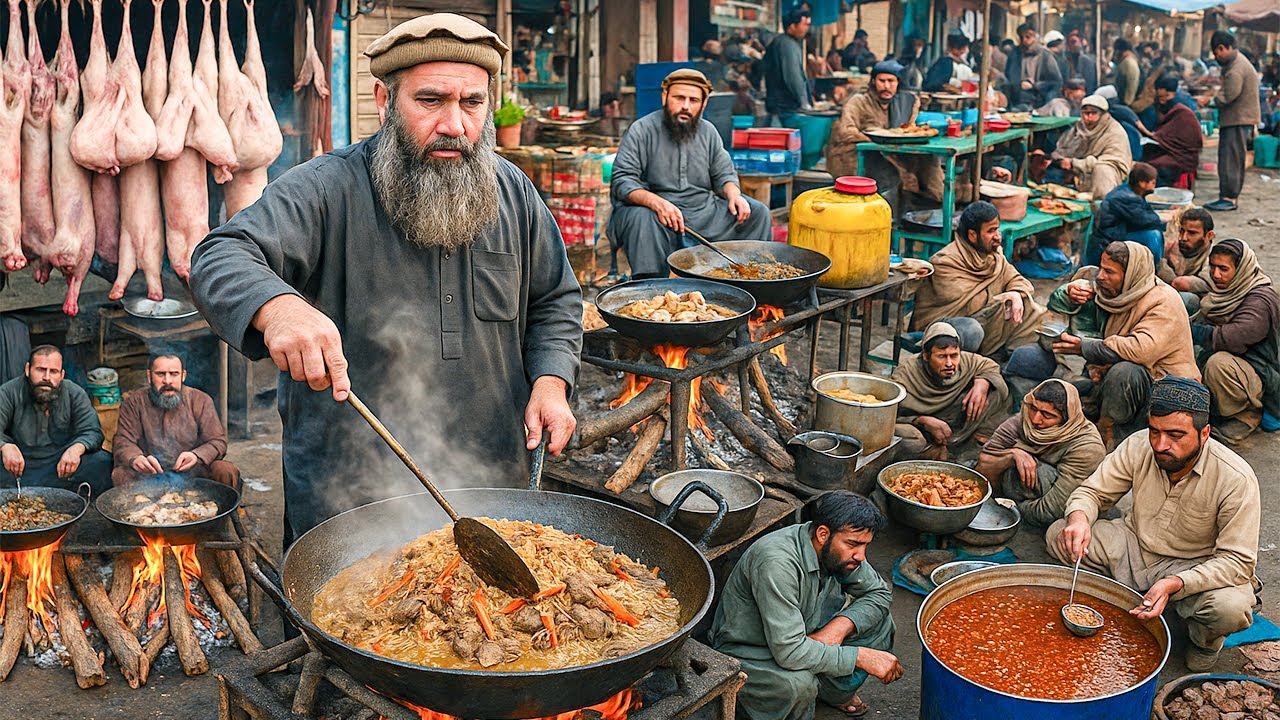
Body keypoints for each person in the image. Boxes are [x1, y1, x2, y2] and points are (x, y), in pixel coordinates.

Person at [188, 13, 583, 543]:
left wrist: (553, 383)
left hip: (491, 481)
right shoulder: (326, 188)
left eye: (472, 103)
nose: (454, 124)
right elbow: (220, 255)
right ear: (384, 98)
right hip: (350, 494)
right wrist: (278, 307)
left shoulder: (512, 191)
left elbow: (554, 299)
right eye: (430, 100)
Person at [1049, 376, 1260, 672]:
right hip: (1133, 546)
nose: (1161, 445)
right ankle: (1130, 597)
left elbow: (1238, 561)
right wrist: (1079, 518)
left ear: (1205, 434)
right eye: (1155, 431)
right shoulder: (1138, 446)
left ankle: (1202, 641)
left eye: (1175, 435)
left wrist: (1176, 583)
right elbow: (1092, 492)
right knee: (1060, 534)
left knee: (1230, 608)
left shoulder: (1236, 479)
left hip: (1192, 565)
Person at [709, 491, 902, 720]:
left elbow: (878, 593)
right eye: (853, 544)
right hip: (752, 649)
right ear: (823, 534)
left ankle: (832, 693)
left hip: (801, 635)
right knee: (799, 685)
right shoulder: (777, 562)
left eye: (865, 546)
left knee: (880, 625)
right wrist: (859, 657)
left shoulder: (841, 552)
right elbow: (789, 651)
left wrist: (838, 628)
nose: (861, 556)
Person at [609, 69, 770, 279]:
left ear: (702, 105)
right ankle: (650, 287)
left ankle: (750, 281)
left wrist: (734, 195)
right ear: (665, 96)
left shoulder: (709, 131)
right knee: (640, 218)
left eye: (693, 100)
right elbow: (622, 181)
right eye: (679, 98)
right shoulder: (641, 130)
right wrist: (656, 203)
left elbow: (724, 173)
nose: (685, 105)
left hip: (703, 213)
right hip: (658, 216)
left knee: (758, 213)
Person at [1036, 242, 1199, 446]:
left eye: (1109, 272)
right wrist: (1067, 293)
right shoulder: (1116, 294)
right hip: (1116, 377)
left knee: (1124, 372)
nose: (1101, 276)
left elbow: (1140, 350)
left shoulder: (1163, 301)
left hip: (1166, 386)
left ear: (1130, 274)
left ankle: (1110, 434)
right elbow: (1067, 305)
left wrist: (1085, 348)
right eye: (1102, 268)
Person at [910, 202, 1047, 356]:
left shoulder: (994, 255)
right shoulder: (945, 261)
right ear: (972, 235)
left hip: (985, 320)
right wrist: (1005, 298)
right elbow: (972, 304)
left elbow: (1018, 281)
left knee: (1033, 310)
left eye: (997, 229)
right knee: (972, 329)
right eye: (991, 231)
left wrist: (1015, 293)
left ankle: (1008, 358)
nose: (998, 236)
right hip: (945, 324)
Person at [976, 379, 1105, 527]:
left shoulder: (1087, 447)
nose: (1036, 419)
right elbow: (983, 465)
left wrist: (1010, 509)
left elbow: (1053, 509)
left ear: (1066, 418)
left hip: (1049, 505)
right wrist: (1012, 455)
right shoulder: (1023, 421)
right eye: (1034, 408)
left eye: (1047, 415)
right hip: (1018, 497)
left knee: (1042, 473)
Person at [1189, 239, 1280, 444]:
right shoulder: (1228, 291)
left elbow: (1230, 338)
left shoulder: (1259, 301)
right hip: (1244, 366)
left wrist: (1188, 330)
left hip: (1262, 373)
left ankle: (1247, 414)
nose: (1216, 274)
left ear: (1241, 269)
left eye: (1223, 269)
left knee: (1218, 365)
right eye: (1212, 267)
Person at [826, 60, 942, 210]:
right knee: (889, 175)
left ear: (898, 83)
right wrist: (876, 139)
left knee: (929, 161)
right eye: (882, 81)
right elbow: (846, 131)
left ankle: (933, 208)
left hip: (890, 153)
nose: (886, 86)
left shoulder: (903, 104)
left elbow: (908, 128)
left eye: (891, 81)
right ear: (874, 81)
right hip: (855, 157)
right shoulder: (858, 102)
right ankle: (888, 219)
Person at [111, 354, 240, 488]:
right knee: (120, 474)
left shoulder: (200, 400)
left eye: (174, 374)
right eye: (160, 374)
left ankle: (230, 509)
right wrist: (136, 458)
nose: (168, 381)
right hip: (150, 473)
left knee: (224, 470)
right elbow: (123, 441)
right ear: (149, 376)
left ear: (183, 376)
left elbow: (218, 441)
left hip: (193, 472)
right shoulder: (134, 402)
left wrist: (196, 456)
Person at [891, 322, 1010, 459]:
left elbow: (989, 366)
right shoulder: (906, 373)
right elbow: (890, 415)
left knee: (994, 392)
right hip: (920, 427)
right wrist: (922, 420)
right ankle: (931, 452)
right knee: (913, 441)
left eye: (954, 356)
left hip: (953, 422)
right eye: (941, 356)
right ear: (925, 355)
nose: (949, 363)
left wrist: (981, 385)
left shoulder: (967, 361)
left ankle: (958, 445)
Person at [0, 345, 110, 493]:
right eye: (40, 369)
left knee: (101, 460)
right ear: (27, 370)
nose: (46, 377)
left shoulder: (74, 393)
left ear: (62, 375)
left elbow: (93, 431)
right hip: (18, 465)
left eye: (53, 371)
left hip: (61, 466)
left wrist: (77, 448)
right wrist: (4, 445)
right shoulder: (8, 392)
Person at [1205, 31, 1261, 212]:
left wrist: (1210, 101)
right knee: (1233, 157)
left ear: (1223, 48)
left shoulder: (1236, 68)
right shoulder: (1236, 62)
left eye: (1217, 52)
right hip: (1236, 119)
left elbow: (1229, 95)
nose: (1216, 56)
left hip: (1237, 119)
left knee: (1230, 159)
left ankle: (1229, 197)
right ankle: (1229, 196)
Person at [1082, 162, 1165, 267]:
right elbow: (1144, 220)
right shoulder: (1127, 197)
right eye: (1152, 183)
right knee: (1153, 236)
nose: (1154, 186)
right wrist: (1162, 218)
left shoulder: (1130, 191)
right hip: (1107, 241)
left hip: (1118, 232)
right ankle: (1153, 267)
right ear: (1142, 183)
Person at [1052, 94, 1132, 198]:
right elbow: (1062, 149)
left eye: (1093, 113)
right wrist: (1059, 159)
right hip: (1077, 174)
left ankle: (1103, 206)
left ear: (1103, 114)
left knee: (1103, 169)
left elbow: (1112, 161)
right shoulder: (1079, 127)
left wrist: (1075, 163)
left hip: (1105, 174)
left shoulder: (1115, 132)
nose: (1087, 118)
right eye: (1085, 113)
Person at [1141, 75, 1204, 186]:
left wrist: (1156, 136)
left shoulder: (1183, 110)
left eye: (1166, 96)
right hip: (1170, 149)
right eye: (1160, 97)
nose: (1163, 101)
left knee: (1151, 167)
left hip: (1183, 156)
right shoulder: (1158, 108)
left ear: (1173, 93)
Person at [1159, 207, 1217, 313]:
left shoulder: (1215, 256)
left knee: (1187, 299)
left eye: (1192, 233)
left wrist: (1173, 279)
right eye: (1182, 231)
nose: (1183, 238)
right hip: (1166, 291)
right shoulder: (1173, 246)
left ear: (1209, 236)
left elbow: (1183, 284)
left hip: (1197, 302)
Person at [762, 10, 813, 120]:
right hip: (784, 108)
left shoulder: (785, 42)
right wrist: (804, 103)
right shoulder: (787, 45)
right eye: (804, 25)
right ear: (792, 26)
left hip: (781, 107)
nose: (806, 29)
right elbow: (793, 76)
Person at [1004, 23, 1062, 109]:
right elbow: (1008, 74)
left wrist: (1034, 85)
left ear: (1035, 37)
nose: (1024, 40)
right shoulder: (1014, 53)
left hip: (1039, 101)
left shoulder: (1045, 56)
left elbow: (1056, 82)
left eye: (1028, 37)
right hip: (1016, 99)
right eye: (1021, 37)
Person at [1112, 38, 1141, 107]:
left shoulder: (1129, 62)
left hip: (1127, 101)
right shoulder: (1123, 60)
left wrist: (1127, 102)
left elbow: (1133, 82)